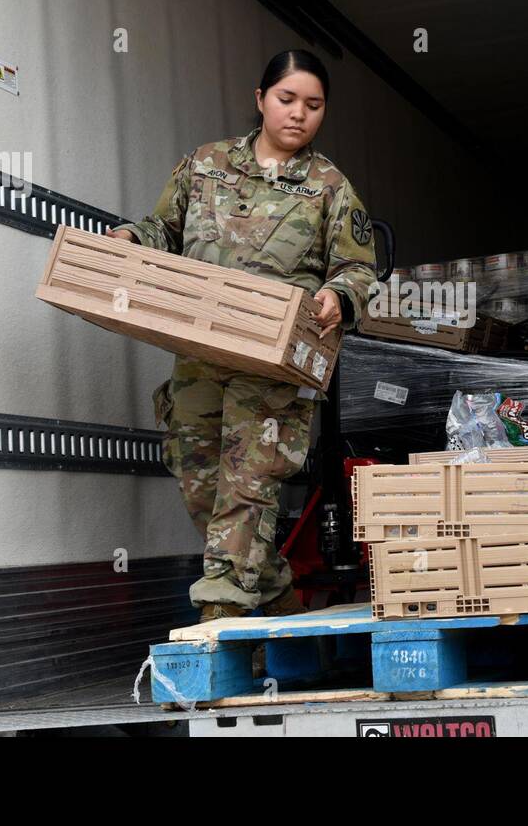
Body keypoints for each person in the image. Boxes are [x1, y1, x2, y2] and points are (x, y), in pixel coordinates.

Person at [109, 50, 377, 623]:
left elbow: (358, 268)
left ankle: (222, 620)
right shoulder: (203, 165)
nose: (299, 115)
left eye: (314, 105)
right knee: (198, 477)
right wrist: (133, 238)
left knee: (249, 486)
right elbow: (165, 229)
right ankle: (276, 598)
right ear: (260, 100)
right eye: (287, 100)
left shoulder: (330, 186)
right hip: (201, 353)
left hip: (272, 367)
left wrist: (339, 295)